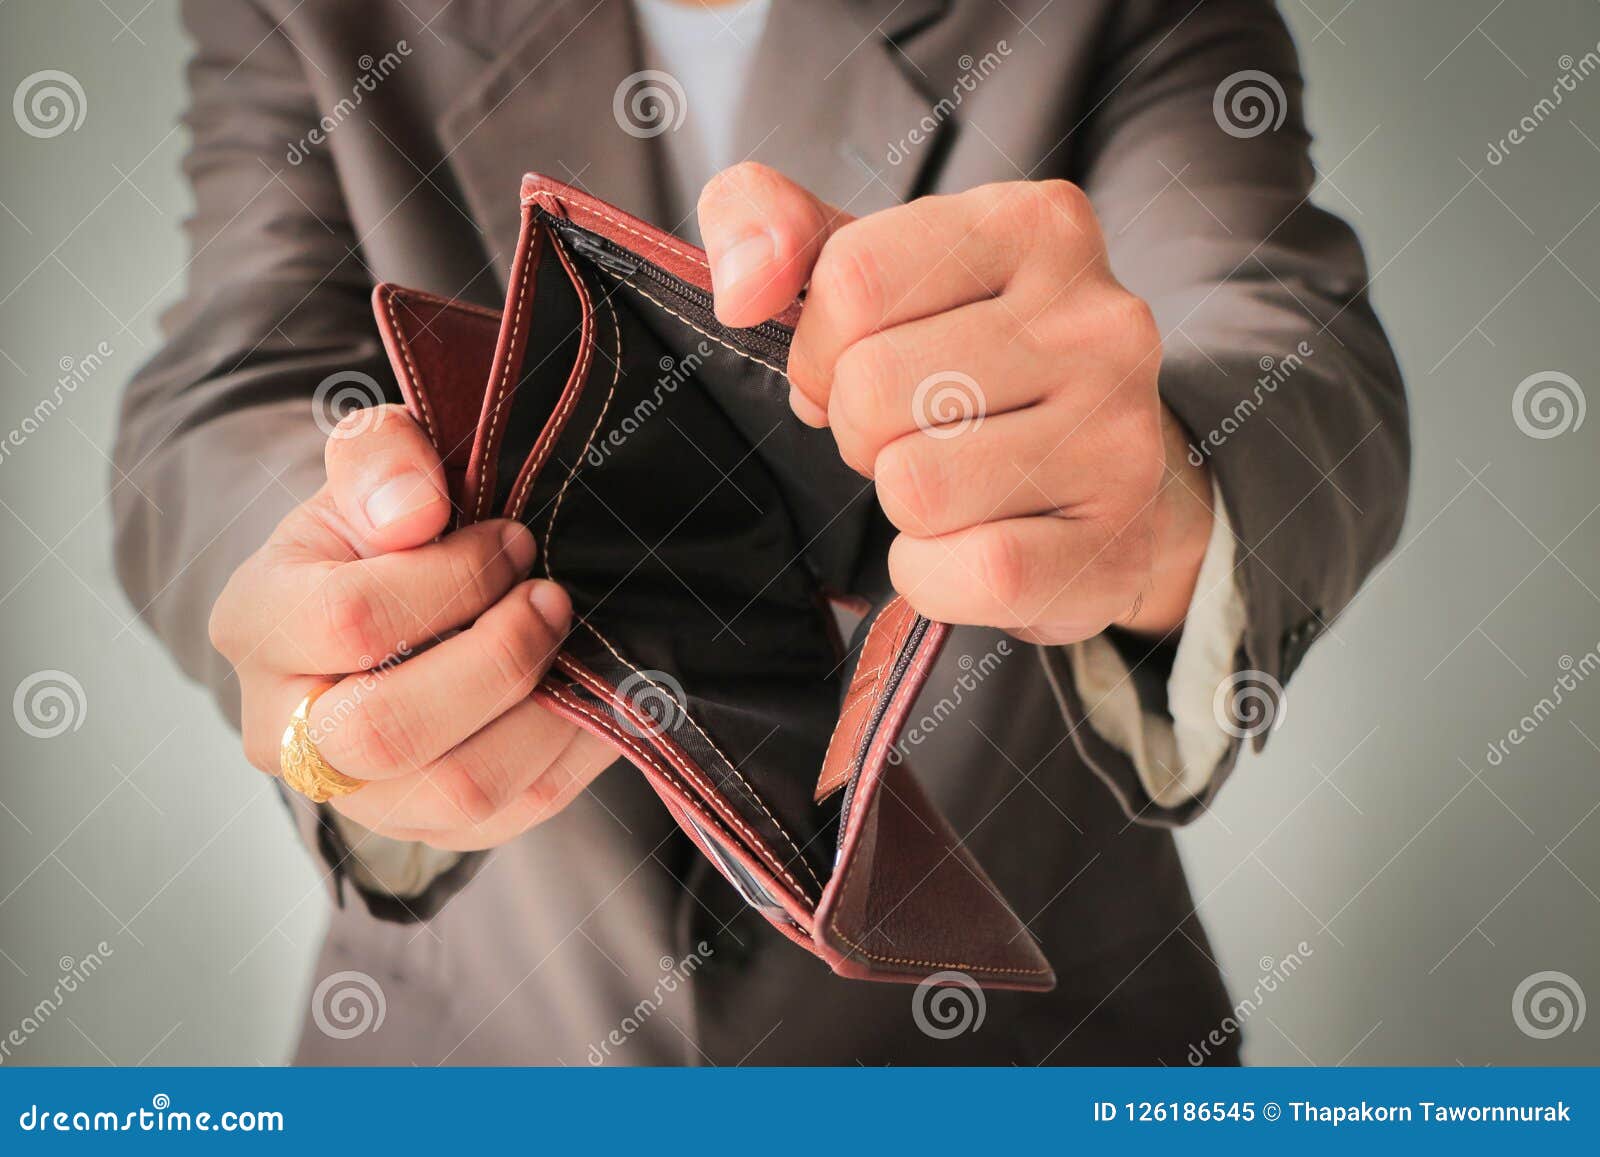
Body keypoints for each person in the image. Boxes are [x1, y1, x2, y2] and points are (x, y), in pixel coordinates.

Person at [112, 0, 1409, 1064]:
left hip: (1026, 1057)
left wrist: (1165, 485)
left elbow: (1285, 336)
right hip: (476, 1053)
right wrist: (337, 591)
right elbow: (232, 385)